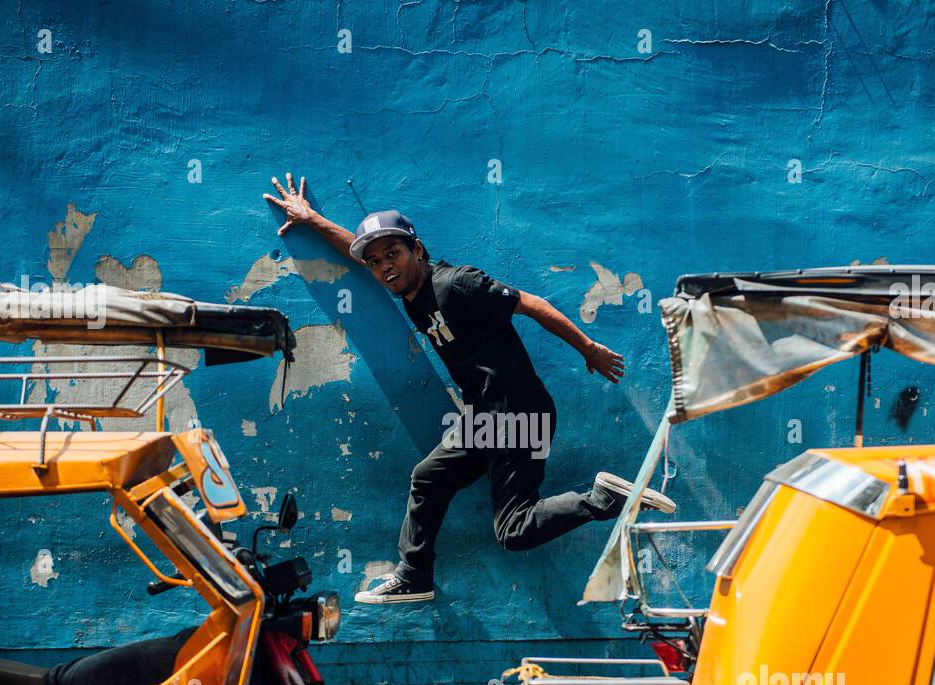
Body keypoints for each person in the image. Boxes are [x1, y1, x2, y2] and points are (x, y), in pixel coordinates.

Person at [264, 173, 675, 604]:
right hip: (486, 416)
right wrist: (309, 218)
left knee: (514, 530)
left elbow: (532, 304)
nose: (385, 265)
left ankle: (602, 499)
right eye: (377, 261)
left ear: (417, 250)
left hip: (519, 413)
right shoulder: (407, 287)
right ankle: (415, 576)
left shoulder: (455, 284)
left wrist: (588, 348)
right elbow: (358, 251)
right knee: (428, 478)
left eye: (394, 254)